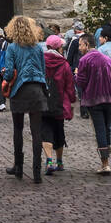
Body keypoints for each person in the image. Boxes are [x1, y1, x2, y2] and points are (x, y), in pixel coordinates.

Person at [2, 16, 49, 183]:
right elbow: (43, 70)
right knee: (36, 132)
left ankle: (19, 167)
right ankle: (37, 171)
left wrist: (5, 78)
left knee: (18, 129)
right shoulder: (37, 48)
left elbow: (8, 73)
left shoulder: (12, 48)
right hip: (37, 90)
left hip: (20, 91)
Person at [76, 33, 111, 175]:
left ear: (87, 45)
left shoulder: (84, 60)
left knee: (100, 129)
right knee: (106, 128)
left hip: (94, 99)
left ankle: (105, 163)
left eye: (80, 45)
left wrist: (76, 75)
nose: (79, 48)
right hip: (110, 100)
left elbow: (81, 83)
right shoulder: (107, 60)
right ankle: (106, 160)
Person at [42, 35, 76, 174]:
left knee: (45, 131)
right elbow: (69, 86)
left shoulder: (40, 61)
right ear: (58, 48)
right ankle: (59, 161)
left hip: (43, 101)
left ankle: (49, 161)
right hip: (59, 103)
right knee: (59, 131)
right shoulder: (64, 64)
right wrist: (72, 99)